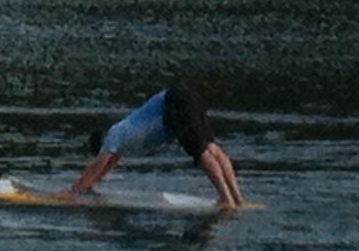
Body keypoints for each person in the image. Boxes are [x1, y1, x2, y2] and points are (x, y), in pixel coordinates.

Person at [72, 81, 245, 210]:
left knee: (202, 153)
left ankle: (227, 200)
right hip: (184, 95)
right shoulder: (123, 139)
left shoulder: (113, 136)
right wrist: (90, 186)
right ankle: (238, 199)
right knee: (212, 147)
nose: (117, 164)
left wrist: (72, 193)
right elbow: (104, 168)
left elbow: (97, 168)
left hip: (175, 101)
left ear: (101, 145)